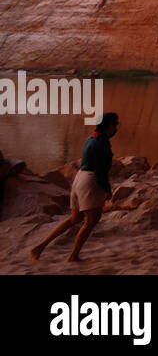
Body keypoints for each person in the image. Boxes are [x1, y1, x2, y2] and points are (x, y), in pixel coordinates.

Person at [30, 112, 120, 263]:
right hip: (90, 180)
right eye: (116, 124)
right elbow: (100, 169)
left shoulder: (91, 138)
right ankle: (73, 256)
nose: (116, 128)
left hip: (79, 178)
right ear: (110, 125)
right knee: (91, 220)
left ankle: (40, 247)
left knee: (75, 218)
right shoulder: (102, 142)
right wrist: (106, 188)